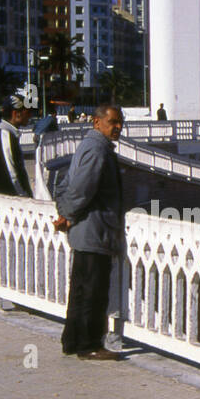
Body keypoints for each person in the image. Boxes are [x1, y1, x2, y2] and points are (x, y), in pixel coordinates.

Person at [54, 104, 126, 360]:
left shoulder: (87, 145)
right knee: (94, 292)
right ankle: (90, 345)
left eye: (120, 123)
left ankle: (72, 341)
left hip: (86, 232)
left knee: (81, 290)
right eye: (113, 122)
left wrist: (64, 211)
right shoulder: (98, 150)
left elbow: (64, 183)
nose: (117, 127)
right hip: (95, 231)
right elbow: (82, 190)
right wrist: (68, 213)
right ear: (97, 122)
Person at [0, 98, 34, 196]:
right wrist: (23, 196)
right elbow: (11, 171)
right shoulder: (4, 135)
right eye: (27, 113)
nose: (30, 116)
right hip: (7, 197)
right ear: (16, 114)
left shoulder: (5, 133)